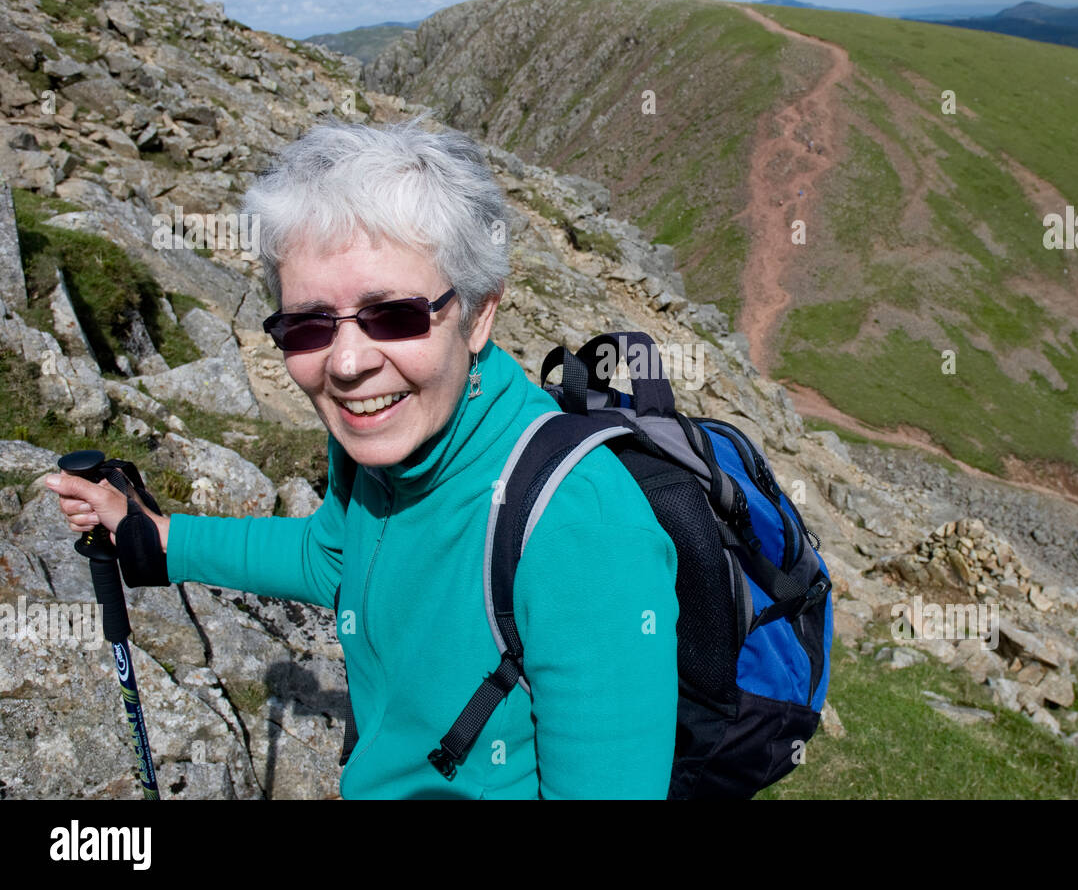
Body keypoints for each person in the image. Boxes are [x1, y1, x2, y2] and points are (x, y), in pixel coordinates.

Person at [45, 117, 680, 799]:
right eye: (309, 325)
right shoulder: (382, 439)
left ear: (479, 314)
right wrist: (156, 537)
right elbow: (331, 559)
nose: (347, 364)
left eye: (395, 315)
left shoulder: (583, 525)